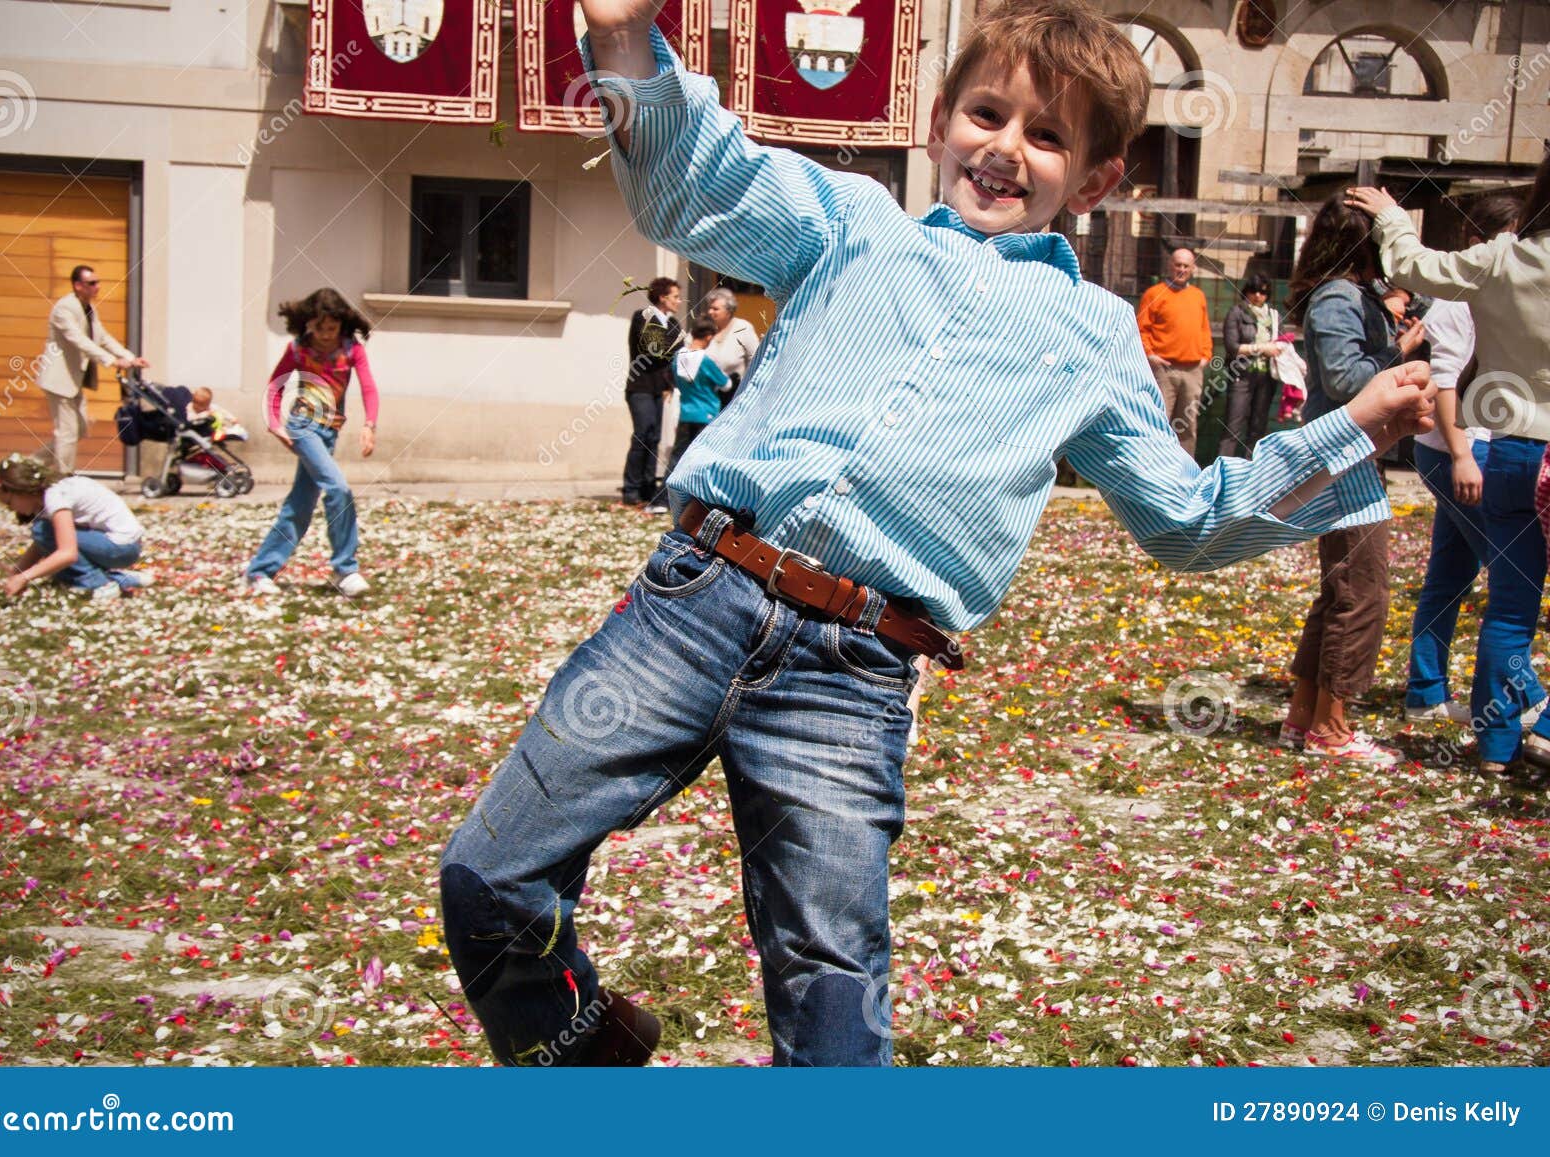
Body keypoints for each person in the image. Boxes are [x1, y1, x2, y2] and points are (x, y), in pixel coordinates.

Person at [440, 0, 1434, 1069]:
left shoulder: (1095, 338)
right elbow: (699, 179)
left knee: (831, 999)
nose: (1006, 148)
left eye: (1047, 136)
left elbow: (1187, 517)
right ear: (936, 126)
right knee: (487, 874)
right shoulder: (848, 224)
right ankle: (585, 1051)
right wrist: (627, 40)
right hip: (696, 597)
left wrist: (1350, 431)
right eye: (986, 114)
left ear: (1093, 182)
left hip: (852, 667)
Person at [1349, 164, 1550, 773]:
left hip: (1516, 447)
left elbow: (1414, 266)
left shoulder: (1504, 258)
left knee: (1511, 609)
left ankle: (1496, 749)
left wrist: (1389, 215)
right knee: (1503, 605)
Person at [1278, 193, 1427, 767]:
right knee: (1362, 592)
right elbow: (1345, 380)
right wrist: (1401, 350)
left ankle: (1303, 716)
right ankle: (1332, 729)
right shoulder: (1338, 295)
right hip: (1343, 456)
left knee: (1339, 590)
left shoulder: (1348, 292)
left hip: (1347, 456)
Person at [1396, 197, 1540, 729]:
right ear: (1492, 236)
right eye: (1518, 231)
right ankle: (1532, 700)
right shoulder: (1465, 296)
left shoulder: (1495, 287)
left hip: (1462, 449)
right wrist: (1463, 455)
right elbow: (1447, 376)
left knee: (1450, 574)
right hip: (1463, 451)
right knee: (1510, 587)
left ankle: (1426, 688)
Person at [243, 288, 378, 599]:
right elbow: (275, 387)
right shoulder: (298, 350)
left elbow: (369, 387)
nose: (325, 335)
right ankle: (346, 568)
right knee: (338, 488)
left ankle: (260, 571)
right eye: (319, 328)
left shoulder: (352, 350)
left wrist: (370, 425)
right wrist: (275, 425)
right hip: (303, 427)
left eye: (331, 329)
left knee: (300, 505)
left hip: (329, 431)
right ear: (308, 324)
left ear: (341, 326)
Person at [0, 452, 151, 602]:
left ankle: (100, 584)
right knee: (60, 570)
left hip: (121, 548)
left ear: (21, 490)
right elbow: (41, 545)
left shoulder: (56, 496)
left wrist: (24, 577)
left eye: (9, 503)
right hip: (122, 546)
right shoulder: (51, 494)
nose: (12, 509)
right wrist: (18, 572)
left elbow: (67, 553)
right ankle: (124, 579)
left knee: (44, 534)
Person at [36, 265, 149, 474]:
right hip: (59, 381)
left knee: (79, 429)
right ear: (78, 285)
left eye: (98, 282)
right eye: (92, 283)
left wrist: (130, 358)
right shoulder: (64, 309)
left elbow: (102, 337)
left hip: (74, 381)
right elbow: (79, 340)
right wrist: (111, 361)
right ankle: (63, 479)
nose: (97, 287)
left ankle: (32, 465)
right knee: (67, 432)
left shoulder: (88, 308)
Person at [646, 320, 727, 514]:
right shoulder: (706, 360)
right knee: (704, 459)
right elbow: (725, 384)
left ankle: (662, 500)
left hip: (686, 413)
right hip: (707, 414)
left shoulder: (678, 358)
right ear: (708, 336)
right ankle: (701, 504)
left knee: (677, 459)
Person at [1136, 247, 1212, 455]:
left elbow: (1204, 328)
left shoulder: (1198, 296)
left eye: (1186, 265)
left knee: (1188, 426)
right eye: (1178, 264)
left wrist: (1205, 355)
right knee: (1158, 421)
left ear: (1193, 268)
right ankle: (1150, 468)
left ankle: (1186, 476)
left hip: (1193, 370)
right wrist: (1150, 355)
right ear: (1170, 266)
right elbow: (1141, 329)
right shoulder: (1154, 294)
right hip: (1163, 369)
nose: (1181, 269)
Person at [621, 277, 682, 505]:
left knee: (654, 436)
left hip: (660, 389)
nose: (679, 301)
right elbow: (655, 349)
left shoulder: (673, 323)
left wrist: (670, 384)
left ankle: (648, 487)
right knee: (642, 434)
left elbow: (678, 353)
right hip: (640, 387)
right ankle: (631, 489)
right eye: (675, 296)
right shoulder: (643, 316)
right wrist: (673, 344)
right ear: (662, 297)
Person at [1219, 273, 1284, 458]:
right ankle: (1224, 470)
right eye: (1254, 291)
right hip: (1242, 375)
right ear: (1246, 292)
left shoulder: (1273, 316)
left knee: (1258, 427)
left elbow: (1281, 342)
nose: (1258, 296)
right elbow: (1232, 347)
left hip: (1267, 377)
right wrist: (1262, 348)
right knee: (1232, 427)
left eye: (1263, 292)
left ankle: (1252, 471)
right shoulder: (1237, 313)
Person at [700, 286, 760, 407]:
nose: (710, 312)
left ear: (729, 311)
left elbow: (755, 360)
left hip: (734, 397)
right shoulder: (702, 328)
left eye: (715, 309)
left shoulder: (743, 328)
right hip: (705, 397)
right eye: (709, 308)